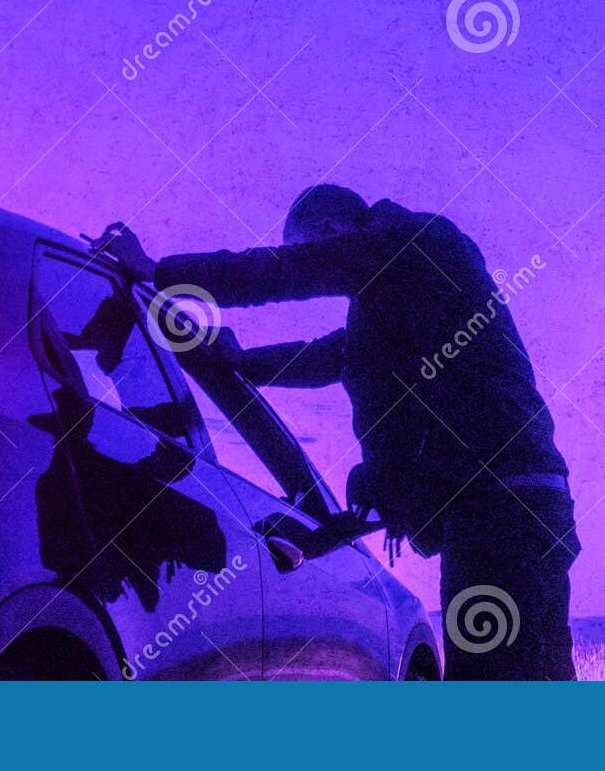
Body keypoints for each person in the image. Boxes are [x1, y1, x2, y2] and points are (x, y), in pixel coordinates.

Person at [94, 184, 579, 680]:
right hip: (522, 503)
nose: (317, 256)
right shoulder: (410, 288)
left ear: (329, 232)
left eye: (314, 245)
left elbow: (284, 271)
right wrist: (245, 363)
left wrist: (160, 272)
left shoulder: (406, 241)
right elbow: (344, 354)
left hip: (498, 509)